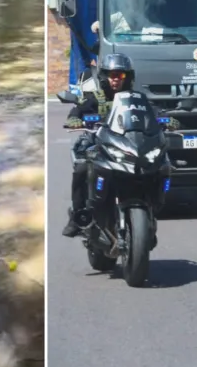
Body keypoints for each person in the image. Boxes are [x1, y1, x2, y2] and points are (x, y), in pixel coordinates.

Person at [62, 53, 181, 237]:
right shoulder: (96, 98)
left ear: (128, 77)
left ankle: (152, 203)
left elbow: (154, 111)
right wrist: (75, 120)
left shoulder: (137, 99)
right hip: (99, 141)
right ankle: (78, 215)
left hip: (128, 143)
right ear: (104, 77)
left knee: (162, 162)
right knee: (81, 167)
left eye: (121, 75)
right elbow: (77, 111)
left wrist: (167, 119)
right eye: (112, 75)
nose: (116, 79)